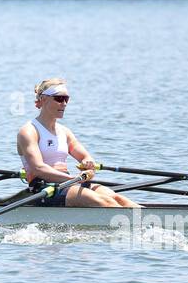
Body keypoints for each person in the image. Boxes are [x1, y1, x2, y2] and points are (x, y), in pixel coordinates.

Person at [16, 78, 138, 208]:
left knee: (117, 198)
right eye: (59, 99)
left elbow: (85, 157)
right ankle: (131, 225)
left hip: (69, 183)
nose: (64, 103)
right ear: (44, 99)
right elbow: (38, 168)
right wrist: (73, 179)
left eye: (66, 99)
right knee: (105, 203)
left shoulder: (65, 132)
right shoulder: (29, 131)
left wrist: (88, 163)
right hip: (43, 188)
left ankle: (151, 224)